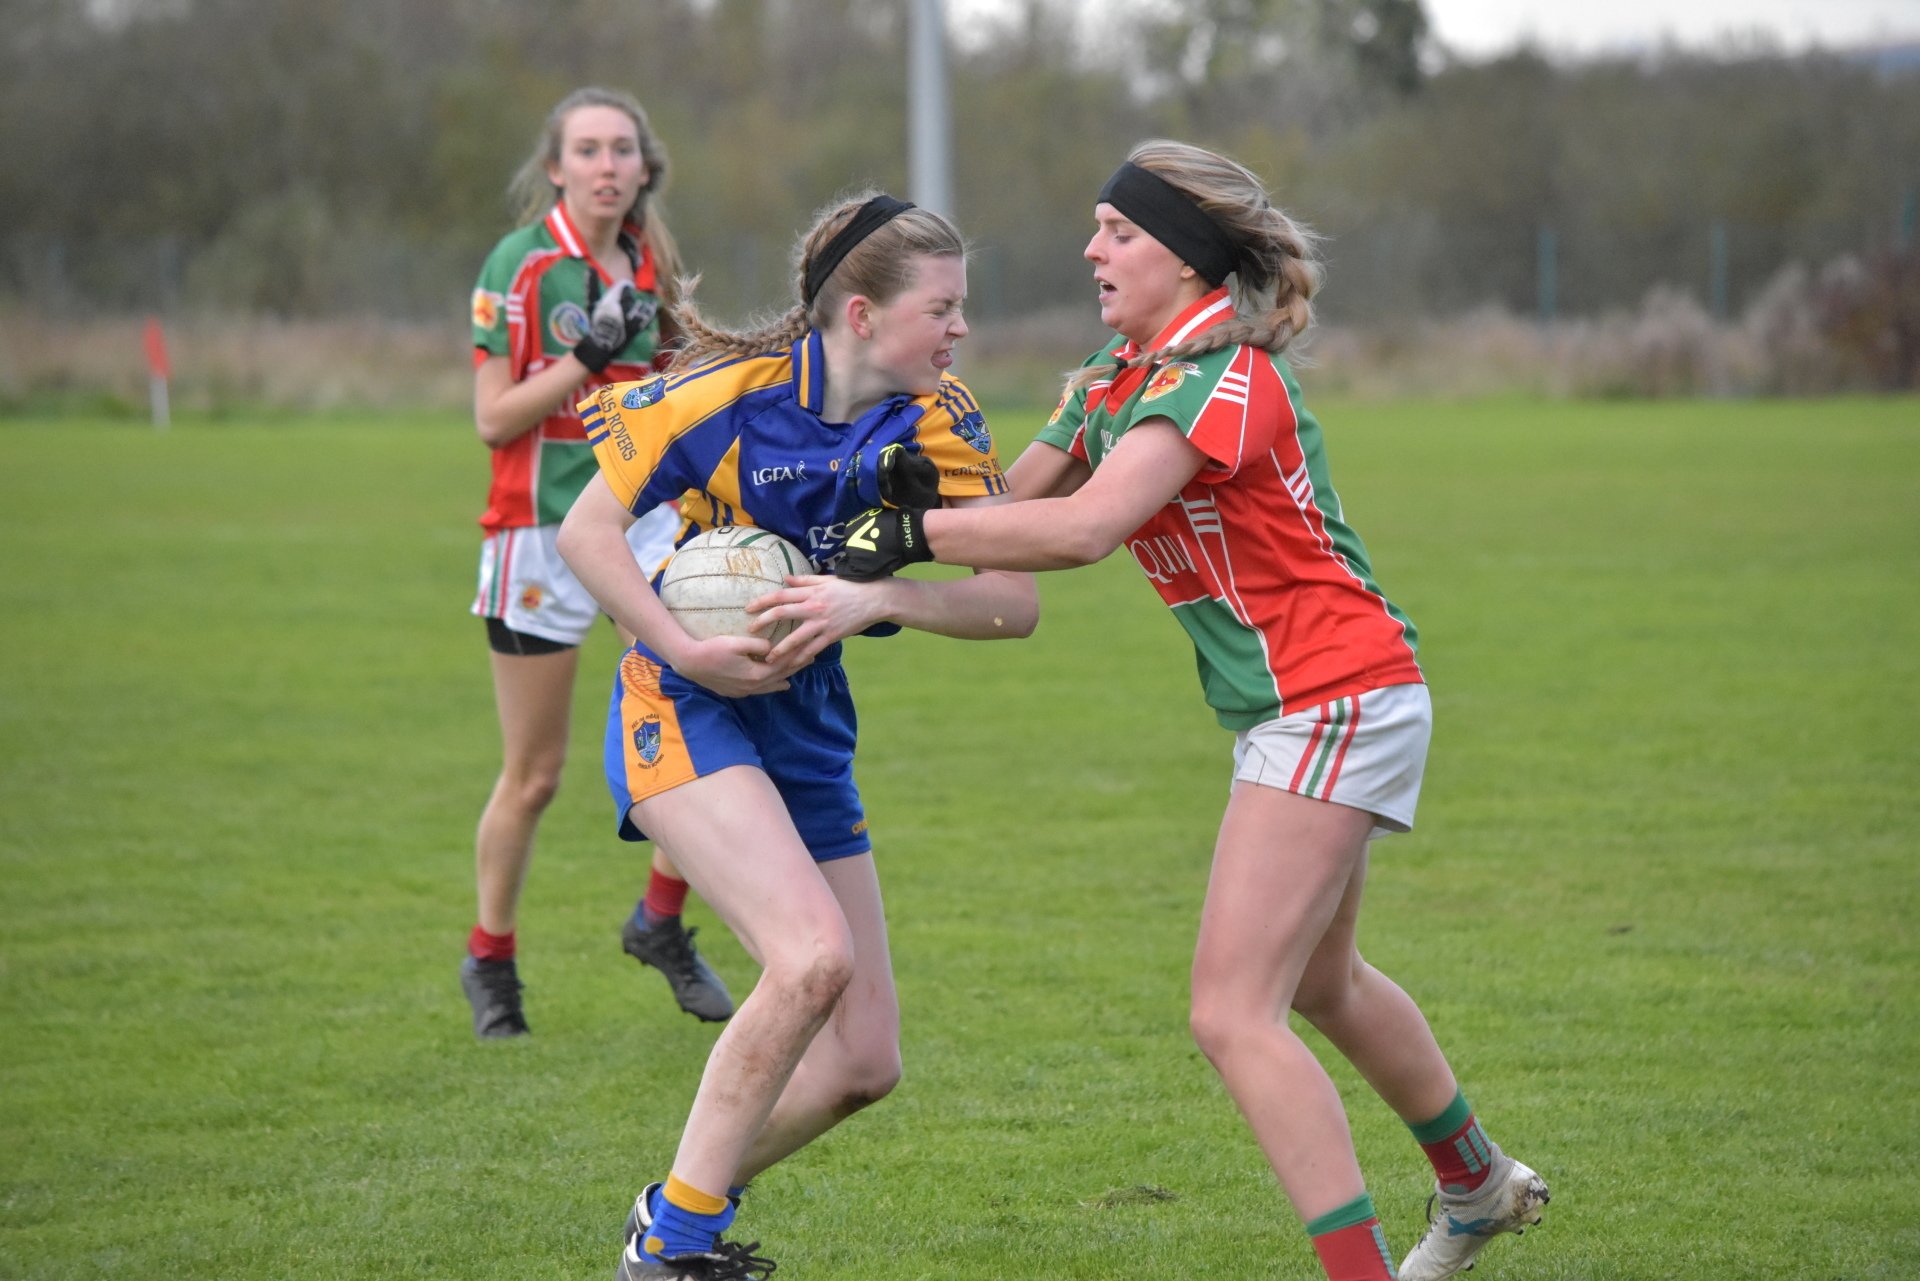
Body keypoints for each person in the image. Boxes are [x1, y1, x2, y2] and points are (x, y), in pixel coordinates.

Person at [829, 141, 1550, 1281]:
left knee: (1232, 1013)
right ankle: (1476, 1183)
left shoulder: (1226, 376)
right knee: (1320, 984)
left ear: (1188, 256)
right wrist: (886, 485)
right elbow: (1013, 501)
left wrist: (912, 537)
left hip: (1333, 693)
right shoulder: (1118, 370)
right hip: (1318, 700)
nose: (1092, 249)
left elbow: (1082, 530)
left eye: (1117, 230)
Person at [559, 190, 1036, 1280]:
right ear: (861, 316)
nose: (961, 329)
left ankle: (669, 1209)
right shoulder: (727, 396)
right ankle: (671, 1253)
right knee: (811, 959)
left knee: (865, 1062)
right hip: (684, 703)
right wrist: (685, 650)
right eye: (943, 307)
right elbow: (586, 535)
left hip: (808, 719)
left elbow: (1016, 599)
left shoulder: (938, 417)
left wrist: (881, 600)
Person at [463, 87, 734, 1039]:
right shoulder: (521, 265)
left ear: (644, 165)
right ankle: (490, 961)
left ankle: (660, 919)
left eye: (623, 149)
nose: (609, 166)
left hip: (641, 521)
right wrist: (593, 358)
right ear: (557, 166)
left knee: (710, 718)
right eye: (589, 150)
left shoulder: (651, 260)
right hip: (535, 530)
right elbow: (494, 418)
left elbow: (673, 389)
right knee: (535, 774)